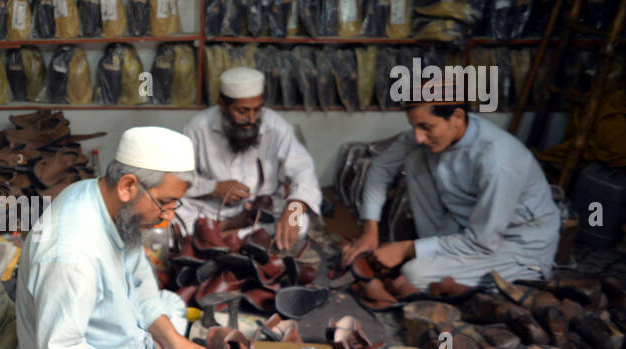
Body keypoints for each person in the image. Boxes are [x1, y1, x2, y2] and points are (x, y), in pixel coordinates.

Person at [15, 126, 235, 349]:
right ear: (129, 185)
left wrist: (177, 345)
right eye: (164, 203)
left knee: (172, 307)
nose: (167, 217)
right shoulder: (70, 256)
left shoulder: (102, 198)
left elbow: (139, 279)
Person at [341, 92, 561, 287]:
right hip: (464, 228)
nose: (418, 136)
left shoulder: (497, 162)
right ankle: (431, 250)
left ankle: (428, 257)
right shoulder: (432, 132)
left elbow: (482, 242)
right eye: (415, 127)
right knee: (415, 154)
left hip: (514, 246)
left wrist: (406, 249)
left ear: (457, 117)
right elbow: (381, 168)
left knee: (413, 274)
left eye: (426, 127)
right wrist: (370, 231)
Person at [177, 66, 322, 251]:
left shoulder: (276, 126)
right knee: (173, 217)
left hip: (263, 210)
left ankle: (217, 238)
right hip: (210, 208)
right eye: (243, 111)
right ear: (222, 105)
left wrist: (293, 211)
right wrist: (214, 188)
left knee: (300, 222)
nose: (252, 119)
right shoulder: (197, 128)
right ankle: (237, 234)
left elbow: (303, 170)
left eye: (257, 110)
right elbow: (179, 178)